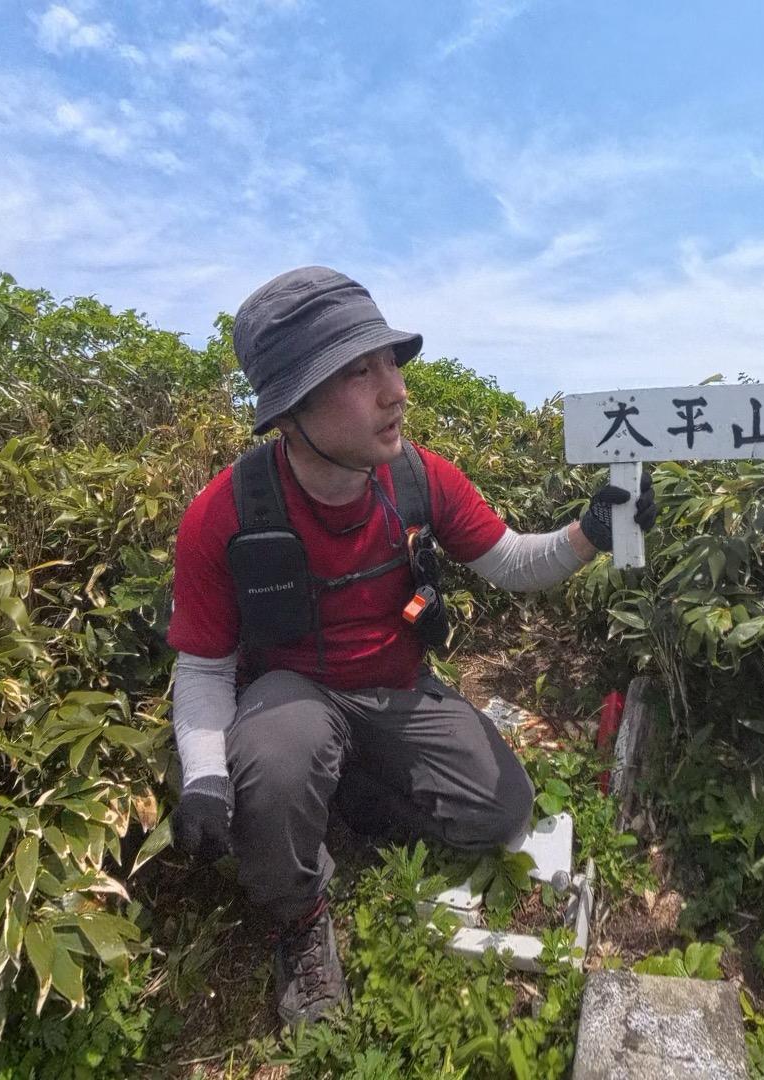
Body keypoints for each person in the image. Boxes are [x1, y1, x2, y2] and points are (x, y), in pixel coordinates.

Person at [162, 267, 655, 1027]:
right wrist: (203, 777)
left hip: (398, 688)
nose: (395, 390)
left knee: (503, 813)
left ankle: (347, 793)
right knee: (276, 760)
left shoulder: (419, 478)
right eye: (360, 371)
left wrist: (589, 532)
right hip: (292, 694)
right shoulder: (224, 514)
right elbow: (203, 663)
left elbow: (513, 561)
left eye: (390, 362)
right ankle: (299, 922)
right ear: (291, 407)